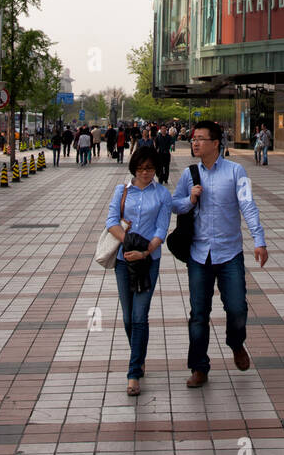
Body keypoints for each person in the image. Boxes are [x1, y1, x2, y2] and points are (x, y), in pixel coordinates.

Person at [171, 119, 268, 389]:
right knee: (199, 313)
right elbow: (174, 206)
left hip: (229, 254)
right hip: (199, 255)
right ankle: (199, 367)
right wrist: (189, 199)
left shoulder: (237, 172)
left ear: (216, 143)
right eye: (193, 138)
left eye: (200, 138)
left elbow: (248, 206)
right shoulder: (189, 175)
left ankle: (236, 343)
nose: (195, 142)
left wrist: (259, 241)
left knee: (237, 308)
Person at [105, 147, 172, 396]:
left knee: (139, 316)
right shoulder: (121, 191)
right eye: (142, 168)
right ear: (134, 168)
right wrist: (129, 244)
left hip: (148, 261)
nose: (146, 173)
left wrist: (144, 252)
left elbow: (161, 229)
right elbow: (111, 221)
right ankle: (139, 354)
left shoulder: (162, 194)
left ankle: (134, 373)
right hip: (124, 261)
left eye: (150, 168)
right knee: (127, 318)